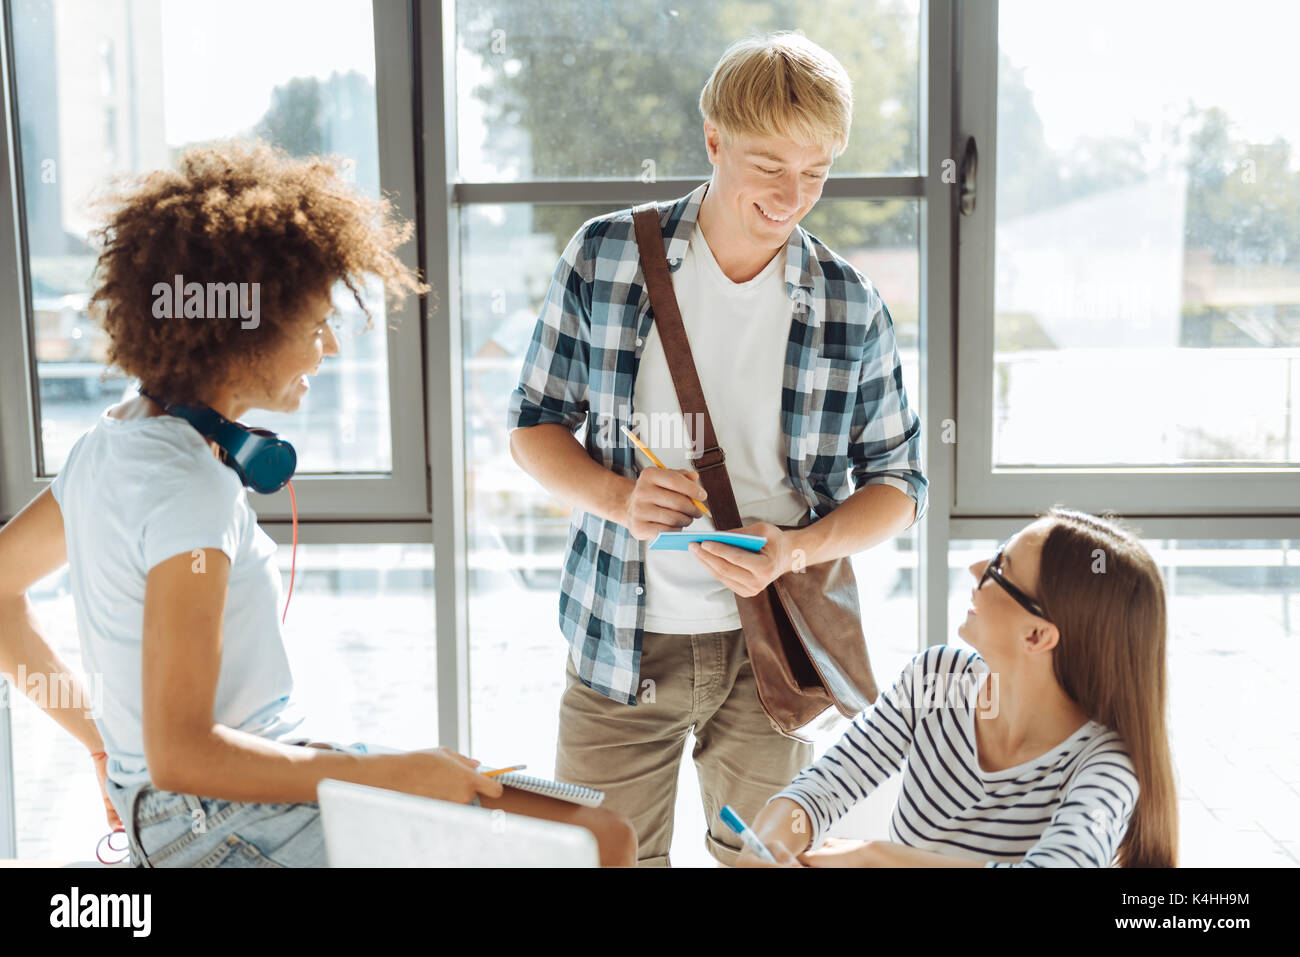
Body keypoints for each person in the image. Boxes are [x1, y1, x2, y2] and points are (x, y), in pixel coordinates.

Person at [0, 140, 635, 867]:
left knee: (597, 830)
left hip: (210, 801)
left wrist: (105, 742)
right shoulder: (189, 488)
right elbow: (180, 754)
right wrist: (387, 773)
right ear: (241, 336)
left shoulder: (110, 442)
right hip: (219, 819)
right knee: (594, 838)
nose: (329, 345)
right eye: (314, 325)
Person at [507, 31, 926, 866]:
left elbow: (900, 481)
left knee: (766, 863)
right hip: (618, 638)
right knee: (596, 859)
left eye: (815, 171)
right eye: (769, 165)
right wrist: (618, 498)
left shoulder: (850, 302)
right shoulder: (605, 257)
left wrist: (797, 549)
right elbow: (532, 427)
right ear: (713, 140)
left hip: (771, 646)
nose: (792, 194)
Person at [738, 507, 1179, 867]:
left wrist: (879, 860)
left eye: (1000, 568)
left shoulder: (1105, 764)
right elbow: (825, 787)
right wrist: (769, 845)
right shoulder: (937, 680)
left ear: (1037, 636)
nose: (974, 568)